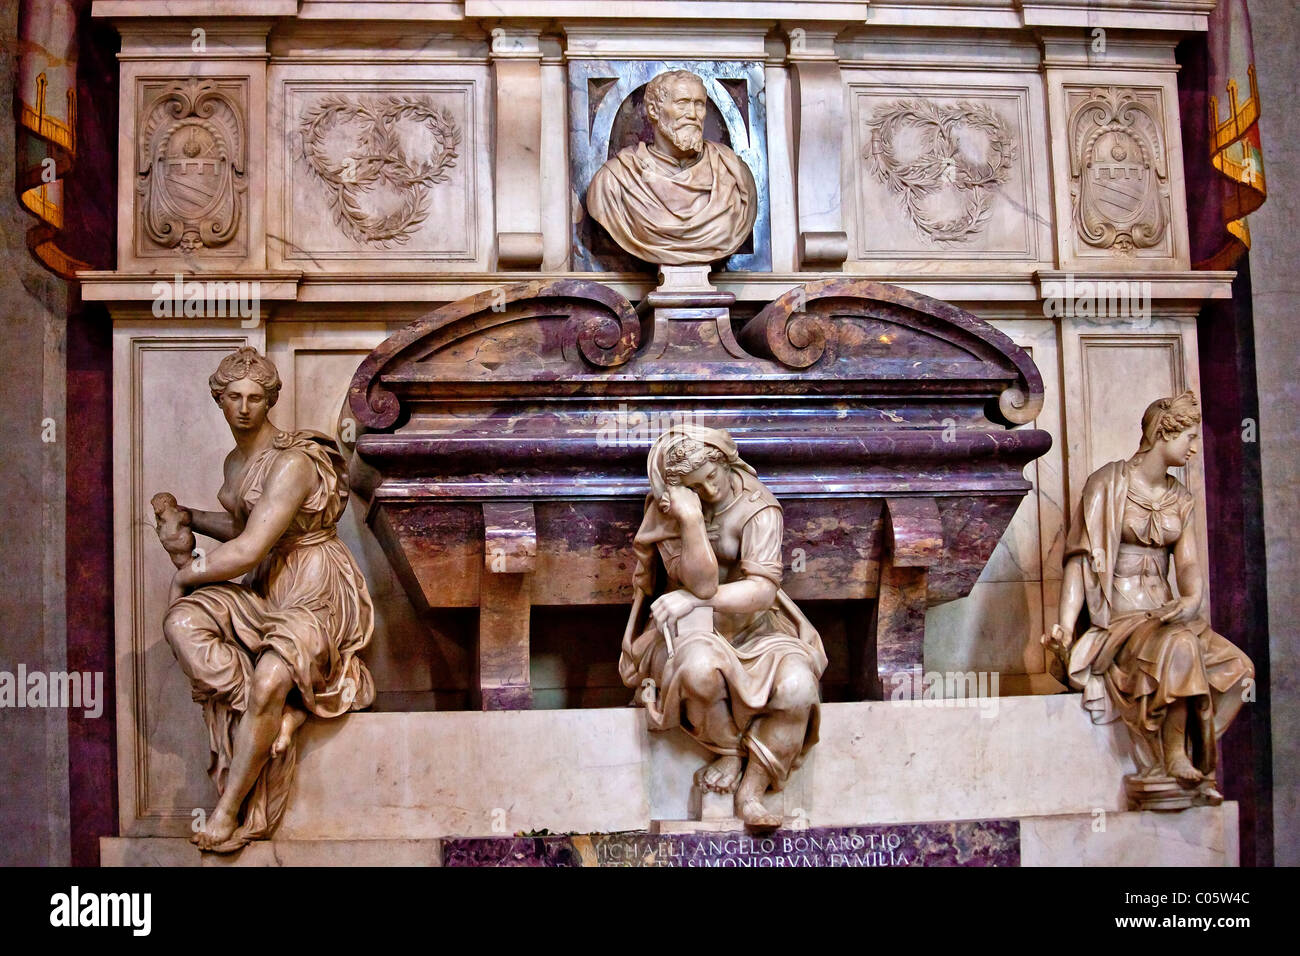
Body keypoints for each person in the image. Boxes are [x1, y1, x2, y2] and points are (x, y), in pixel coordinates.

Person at [156, 347, 374, 852]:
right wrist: (187, 515)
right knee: (183, 623)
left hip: (316, 585)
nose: (245, 407)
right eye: (234, 397)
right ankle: (269, 712)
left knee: (272, 674)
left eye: (256, 398)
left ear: (270, 400)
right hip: (266, 584)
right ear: (220, 399)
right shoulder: (235, 462)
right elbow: (243, 530)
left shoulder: (293, 460)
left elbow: (250, 547)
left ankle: (228, 811)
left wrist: (189, 571)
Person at [1044, 391, 1253, 805]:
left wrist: (1192, 598)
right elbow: (1082, 561)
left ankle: (1190, 754)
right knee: (1180, 646)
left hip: (1169, 614)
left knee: (1240, 672)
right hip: (1120, 621)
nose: (1195, 448)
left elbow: (1188, 565)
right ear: (1163, 432)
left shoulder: (1181, 498)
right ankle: (1172, 757)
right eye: (1189, 437)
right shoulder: (1108, 483)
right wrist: (1065, 627)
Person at [620, 425, 826, 828]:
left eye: (712, 477)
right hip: (687, 629)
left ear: (723, 459)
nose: (711, 492)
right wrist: (693, 520)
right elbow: (702, 582)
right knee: (698, 671)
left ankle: (752, 789)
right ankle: (729, 751)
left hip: (758, 628)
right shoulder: (672, 511)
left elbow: (762, 593)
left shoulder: (759, 508)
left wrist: (695, 599)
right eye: (697, 488)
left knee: (799, 686)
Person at [585, 70, 757, 265]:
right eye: (682, 103)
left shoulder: (733, 173)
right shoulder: (614, 180)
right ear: (653, 110)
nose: (693, 114)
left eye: (699, 104)